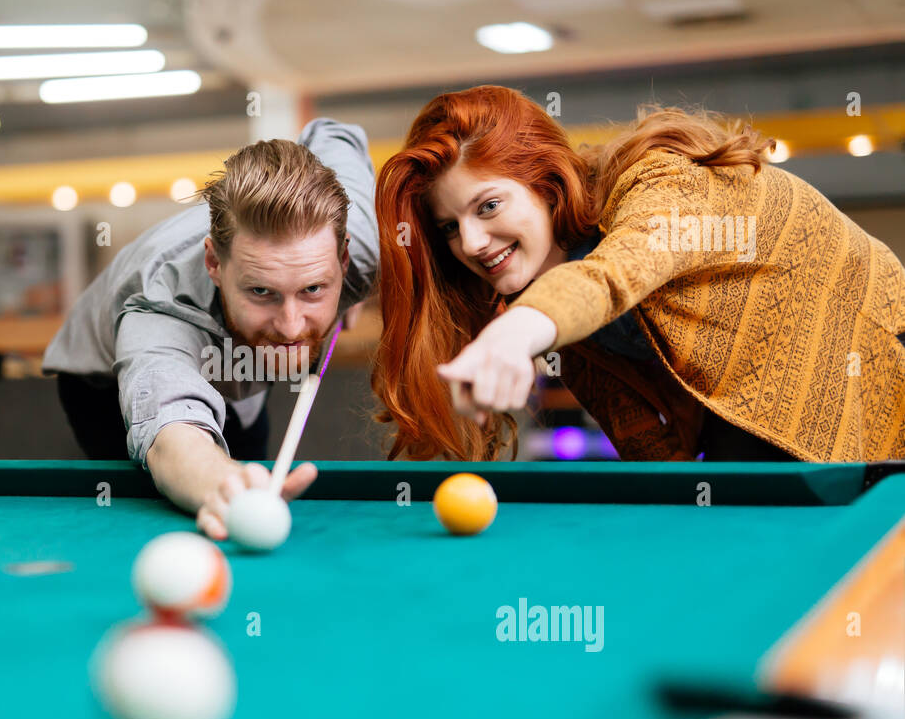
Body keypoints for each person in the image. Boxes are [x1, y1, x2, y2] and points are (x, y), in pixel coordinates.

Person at [371, 85, 905, 462]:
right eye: (448, 227)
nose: (470, 243)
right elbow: (640, 432)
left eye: (487, 206)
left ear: (548, 183)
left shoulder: (656, 179)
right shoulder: (556, 298)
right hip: (763, 407)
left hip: (881, 353)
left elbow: (616, 272)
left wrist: (515, 330)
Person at [44, 118, 378, 536]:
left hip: (244, 353)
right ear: (215, 264)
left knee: (249, 467)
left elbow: (335, 130)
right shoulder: (161, 305)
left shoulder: (363, 243)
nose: (292, 326)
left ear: (343, 259)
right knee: (166, 511)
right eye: (262, 291)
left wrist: (354, 287)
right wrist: (218, 485)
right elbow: (171, 433)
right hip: (102, 385)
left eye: (313, 288)